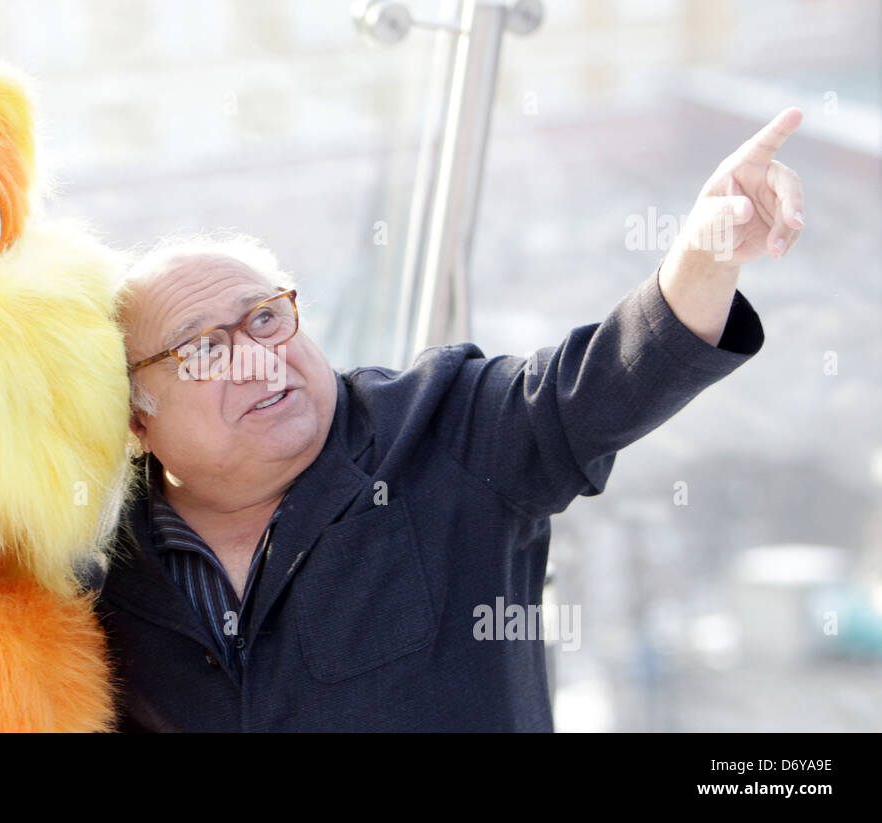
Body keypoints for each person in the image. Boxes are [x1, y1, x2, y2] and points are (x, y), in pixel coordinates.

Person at [94, 109, 806, 731]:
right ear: (134, 415)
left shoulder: (446, 424)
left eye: (265, 317)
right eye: (205, 349)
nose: (260, 358)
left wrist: (709, 250)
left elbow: (593, 392)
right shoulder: (90, 567)